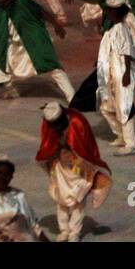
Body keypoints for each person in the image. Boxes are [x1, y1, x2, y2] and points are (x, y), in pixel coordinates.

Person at [35, 101, 112, 242]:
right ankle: (64, 230)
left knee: (79, 198)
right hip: (60, 166)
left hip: (79, 166)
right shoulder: (48, 124)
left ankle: (74, 232)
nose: (55, 128)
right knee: (61, 199)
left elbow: (86, 146)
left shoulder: (77, 121)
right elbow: (47, 146)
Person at [96, 0, 135, 152]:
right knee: (107, 106)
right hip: (112, 71)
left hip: (121, 71)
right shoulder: (113, 29)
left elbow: (127, 51)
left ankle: (130, 143)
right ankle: (120, 135)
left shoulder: (122, 28)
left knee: (124, 106)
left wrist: (127, 72)